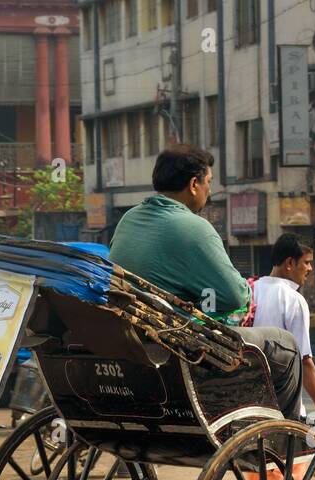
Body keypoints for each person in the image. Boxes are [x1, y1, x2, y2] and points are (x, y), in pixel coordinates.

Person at [107, 145, 302, 420]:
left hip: (127, 341)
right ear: (194, 184)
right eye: (208, 182)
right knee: (287, 345)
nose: (209, 191)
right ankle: (281, 440)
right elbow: (235, 297)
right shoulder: (195, 227)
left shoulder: (128, 220)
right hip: (176, 347)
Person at [252, 233, 315, 420]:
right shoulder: (293, 300)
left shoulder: (251, 289)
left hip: (251, 398)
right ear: (289, 263)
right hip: (283, 402)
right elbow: (305, 361)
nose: (310, 268)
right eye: (306, 262)